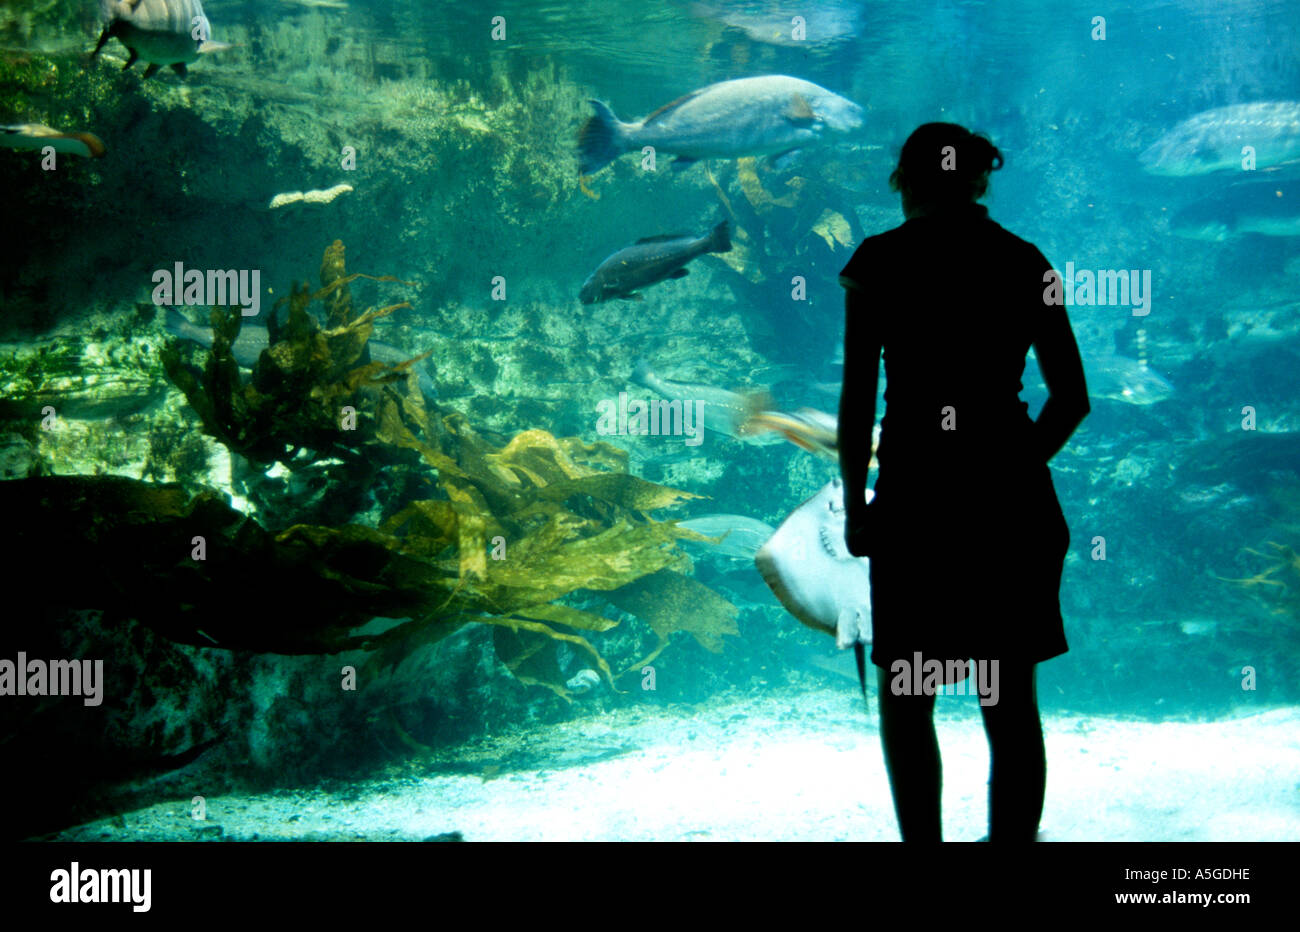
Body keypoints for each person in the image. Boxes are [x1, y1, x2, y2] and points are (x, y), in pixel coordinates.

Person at [836, 123, 1090, 842]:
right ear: (980, 181)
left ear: (905, 181)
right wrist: (1011, 471)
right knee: (1007, 694)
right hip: (1012, 512)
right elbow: (1071, 398)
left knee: (909, 693)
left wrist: (857, 507)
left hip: (916, 507)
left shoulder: (882, 262)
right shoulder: (1023, 261)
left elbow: (858, 403)